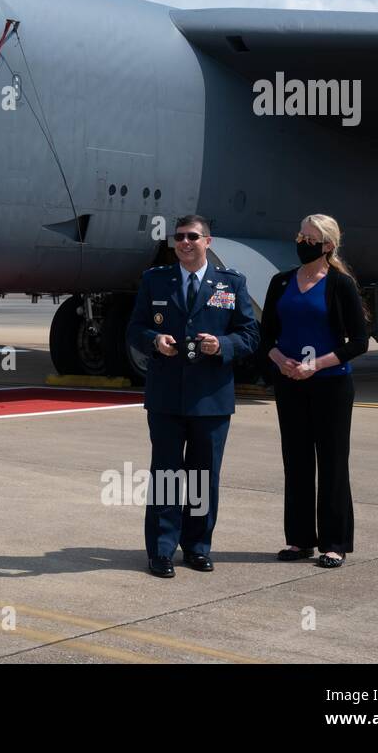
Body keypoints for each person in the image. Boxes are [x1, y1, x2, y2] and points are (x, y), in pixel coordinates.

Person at [127, 215, 259, 578]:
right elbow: (135, 328)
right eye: (179, 237)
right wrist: (155, 341)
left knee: (204, 477)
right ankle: (161, 550)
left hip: (211, 399)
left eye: (193, 237)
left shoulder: (230, 283)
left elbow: (250, 335)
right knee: (166, 474)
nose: (185, 243)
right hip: (167, 397)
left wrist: (223, 345)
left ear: (208, 241)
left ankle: (197, 547)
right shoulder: (155, 281)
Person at [259, 214, 369, 568]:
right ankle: (300, 540)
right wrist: (279, 360)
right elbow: (266, 337)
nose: (301, 242)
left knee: (333, 463)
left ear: (328, 246)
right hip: (290, 384)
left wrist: (317, 364)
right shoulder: (280, 282)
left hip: (331, 385)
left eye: (310, 239)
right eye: (300, 235)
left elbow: (360, 341)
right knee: (297, 461)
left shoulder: (341, 285)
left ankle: (335, 543)